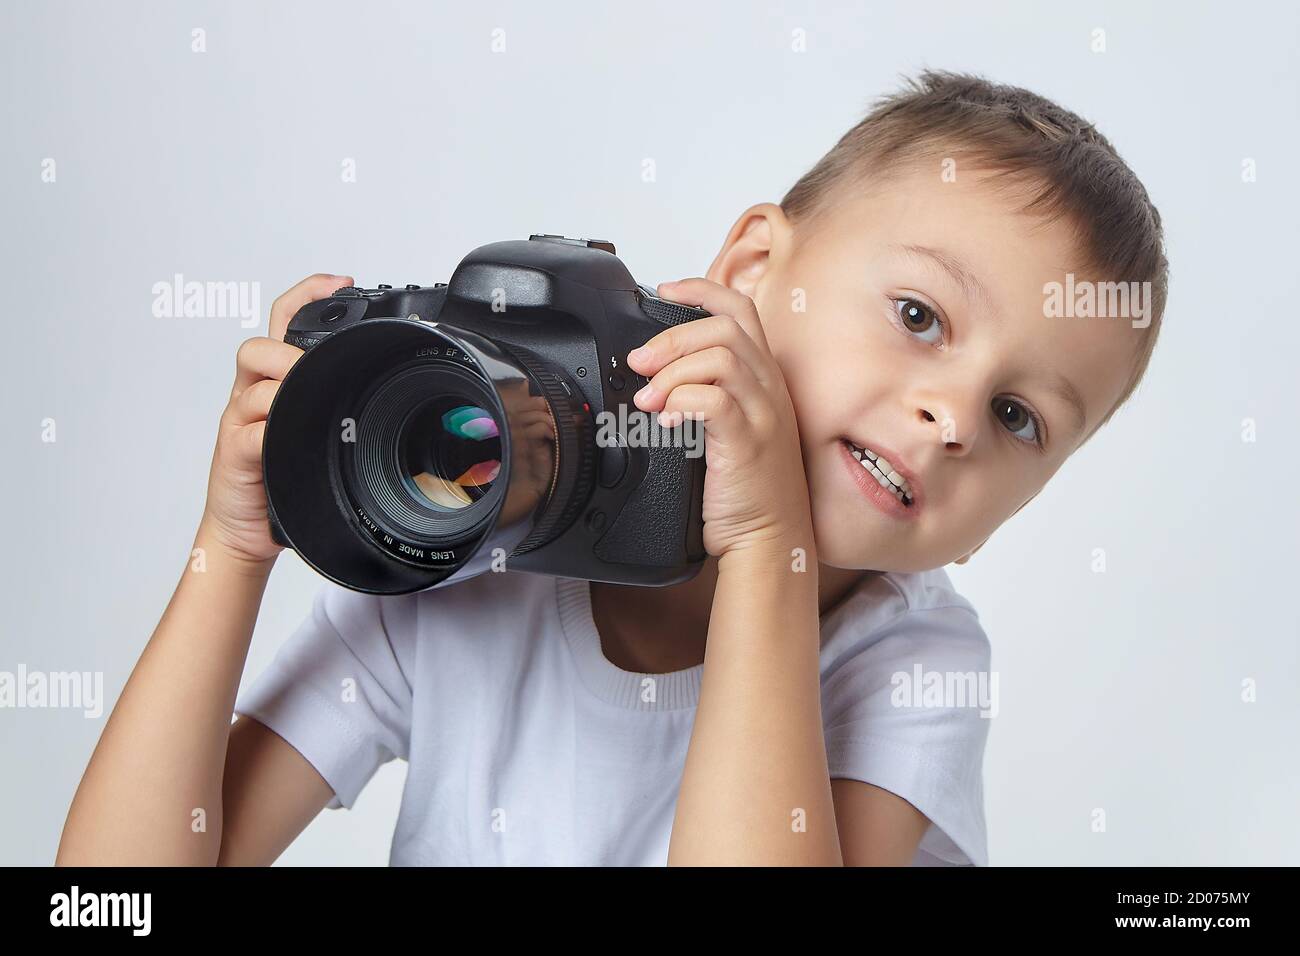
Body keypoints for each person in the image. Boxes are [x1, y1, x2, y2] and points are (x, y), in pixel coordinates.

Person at [57, 71, 1168, 866]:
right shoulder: (468, 542)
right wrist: (233, 546)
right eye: (918, 314)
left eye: (1018, 416)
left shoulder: (911, 662)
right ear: (748, 269)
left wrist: (762, 547)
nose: (951, 415)